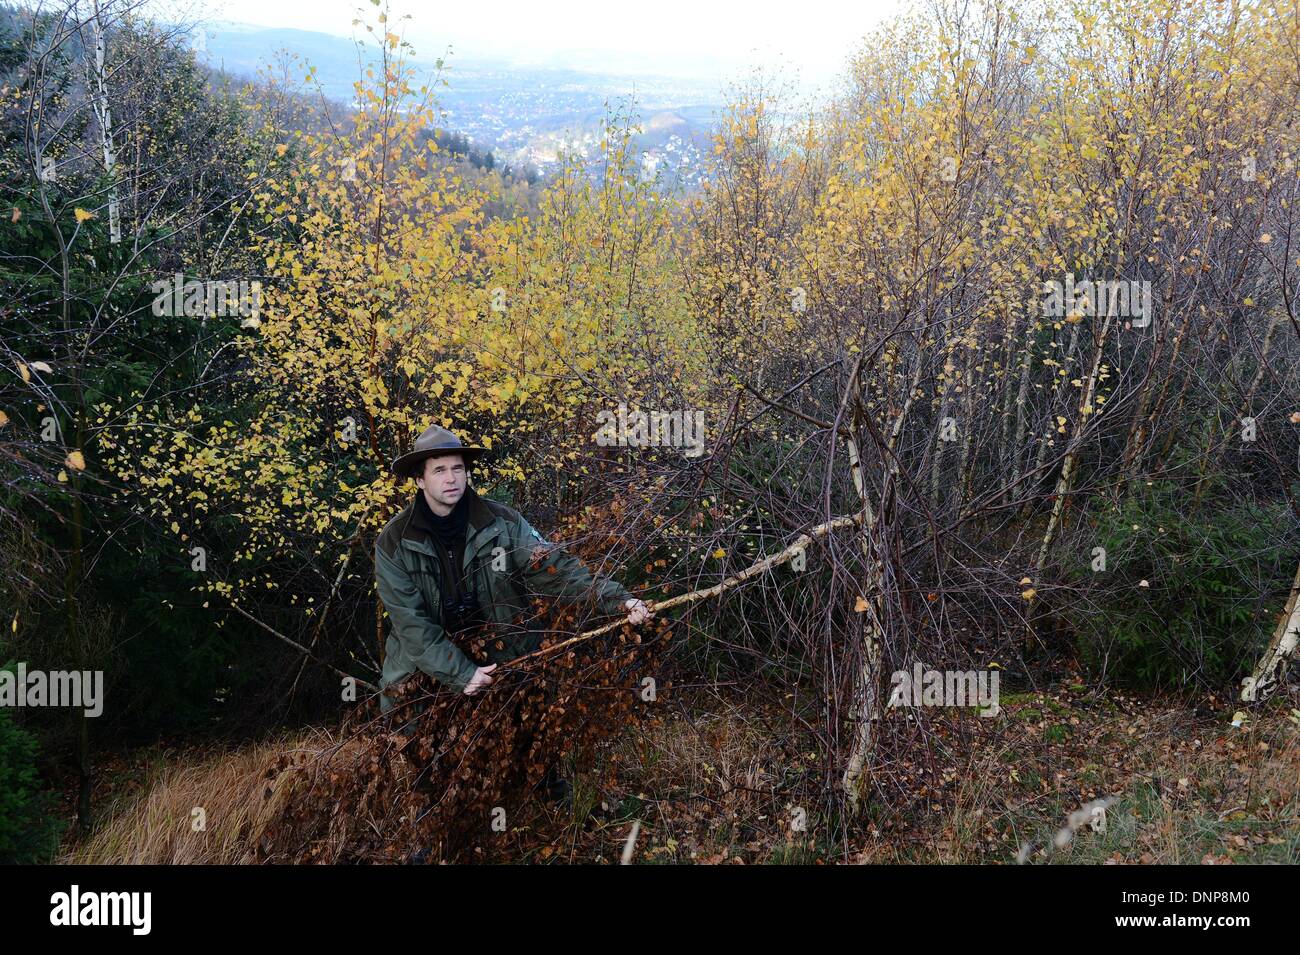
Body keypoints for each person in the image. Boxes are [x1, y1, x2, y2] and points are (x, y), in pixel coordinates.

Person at [375, 424, 651, 716]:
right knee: (425, 750)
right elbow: (411, 623)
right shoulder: (394, 542)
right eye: (439, 470)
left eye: (458, 468)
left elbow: (557, 570)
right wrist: (460, 673)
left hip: (504, 660)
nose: (451, 478)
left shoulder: (503, 522)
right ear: (419, 480)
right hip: (426, 670)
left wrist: (619, 600)